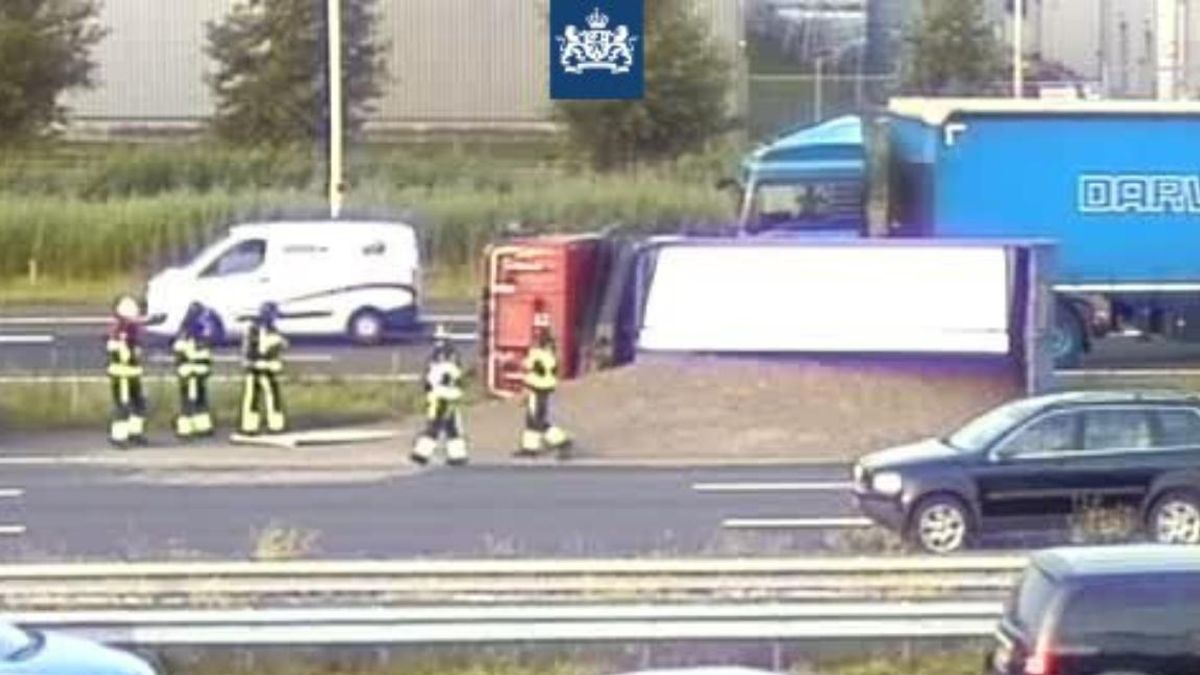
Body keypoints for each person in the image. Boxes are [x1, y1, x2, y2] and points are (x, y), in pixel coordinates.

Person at [410, 325, 468, 466]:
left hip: (440, 396)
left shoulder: (436, 356)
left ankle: (421, 454)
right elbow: (460, 377)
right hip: (451, 396)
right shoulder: (454, 355)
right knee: (452, 427)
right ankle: (458, 455)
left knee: (434, 426)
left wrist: (427, 390)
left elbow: (430, 378)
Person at [516, 310, 571, 458]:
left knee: (538, 420)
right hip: (545, 387)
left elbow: (527, 365)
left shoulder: (537, 353)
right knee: (531, 419)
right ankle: (530, 447)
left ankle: (562, 441)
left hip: (537, 388)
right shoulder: (551, 351)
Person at [239, 302, 288, 435]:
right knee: (253, 399)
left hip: (266, 368)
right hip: (256, 368)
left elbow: (277, 347)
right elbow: (252, 350)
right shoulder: (256, 330)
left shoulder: (270, 329)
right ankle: (251, 426)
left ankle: (273, 425)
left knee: (271, 397)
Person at [106, 294, 147, 448]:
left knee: (138, 404)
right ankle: (118, 437)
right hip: (122, 374)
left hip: (133, 373)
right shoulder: (121, 330)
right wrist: (129, 349)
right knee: (123, 406)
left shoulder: (131, 328)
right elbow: (121, 352)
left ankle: (134, 432)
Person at [172, 302, 214, 439]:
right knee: (189, 401)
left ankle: (202, 426)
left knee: (200, 399)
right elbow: (183, 354)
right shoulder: (186, 334)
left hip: (198, 372)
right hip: (189, 373)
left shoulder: (201, 332)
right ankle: (185, 429)